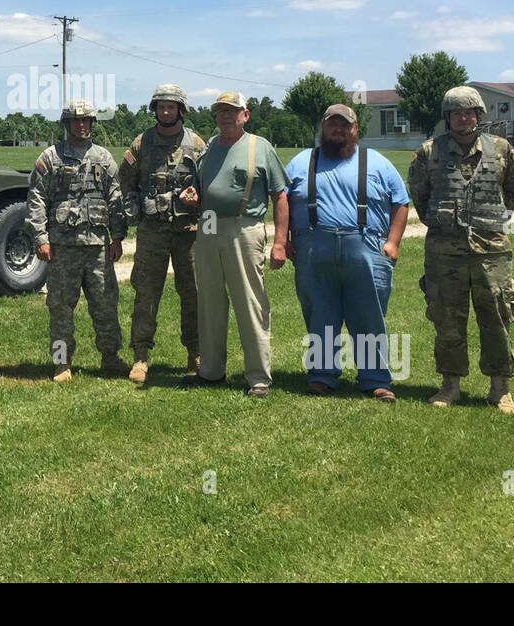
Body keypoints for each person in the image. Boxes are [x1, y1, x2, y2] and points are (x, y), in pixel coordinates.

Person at [407, 86, 514, 414]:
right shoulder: (429, 152)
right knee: (447, 318)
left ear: (478, 115)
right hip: (444, 253)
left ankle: (500, 388)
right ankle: (450, 385)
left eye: (469, 112)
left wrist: (493, 217)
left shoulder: (501, 149)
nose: (463, 117)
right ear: (448, 117)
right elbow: (420, 193)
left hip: (491, 252)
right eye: (456, 112)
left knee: (497, 317)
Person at [284, 104, 410, 402]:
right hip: (315, 246)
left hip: (366, 247)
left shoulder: (377, 162)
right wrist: (284, 239)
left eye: (345, 125)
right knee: (320, 314)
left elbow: (401, 202)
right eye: (332, 125)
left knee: (368, 316)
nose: (338, 130)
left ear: (356, 130)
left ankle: (375, 379)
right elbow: (282, 202)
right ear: (322, 128)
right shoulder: (302, 162)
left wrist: (392, 243)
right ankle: (322, 375)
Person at [178, 93, 289, 399]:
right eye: (220, 112)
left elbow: (280, 195)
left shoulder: (259, 147)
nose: (225, 116)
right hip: (209, 224)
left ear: (245, 115)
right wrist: (193, 195)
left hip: (244, 226)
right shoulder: (210, 147)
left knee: (249, 302)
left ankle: (258, 378)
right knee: (210, 302)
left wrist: (280, 242)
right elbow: (202, 189)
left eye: (232, 111)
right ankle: (211, 372)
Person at [26, 97, 128, 382]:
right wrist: (40, 238)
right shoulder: (51, 158)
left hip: (97, 247)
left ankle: (110, 357)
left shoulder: (103, 158)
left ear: (91, 123)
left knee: (106, 305)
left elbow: (115, 198)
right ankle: (61, 364)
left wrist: (118, 236)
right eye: (76, 120)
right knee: (60, 307)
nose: (81, 125)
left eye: (86, 120)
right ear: (67, 123)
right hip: (62, 248)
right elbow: (36, 200)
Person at [119, 83, 207, 383]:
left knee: (193, 293)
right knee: (146, 293)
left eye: (171, 106)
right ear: (154, 109)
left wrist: (199, 198)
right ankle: (140, 357)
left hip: (188, 234)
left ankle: (196, 352)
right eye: (161, 106)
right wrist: (139, 209)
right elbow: (125, 185)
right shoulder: (141, 144)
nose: (166, 111)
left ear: (181, 110)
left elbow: (209, 186)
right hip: (152, 234)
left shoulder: (196, 145)